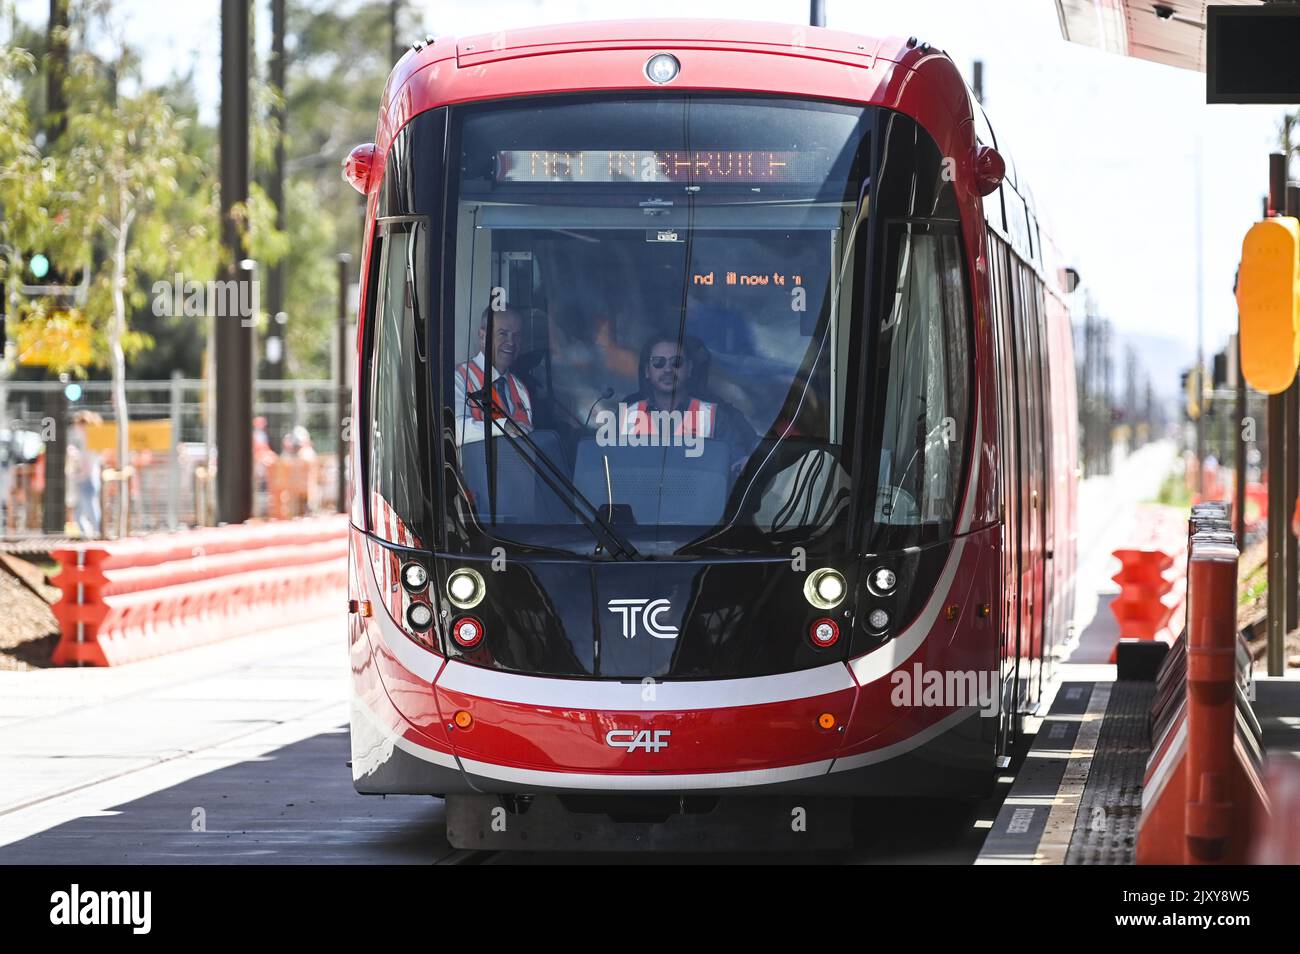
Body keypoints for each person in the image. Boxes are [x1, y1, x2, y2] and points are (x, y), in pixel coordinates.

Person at [618, 333, 757, 466]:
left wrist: (742, 465)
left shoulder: (714, 418)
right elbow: (606, 466)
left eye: (676, 362)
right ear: (647, 371)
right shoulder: (626, 416)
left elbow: (738, 465)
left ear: (689, 369)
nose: (668, 370)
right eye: (658, 362)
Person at [454, 305, 534, 445]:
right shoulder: (459, 378)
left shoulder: (520, 389)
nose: (511, 342)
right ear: (483, 336)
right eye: (503, 334)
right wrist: (503, 426)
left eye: (516, 336)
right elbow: (454, 430)